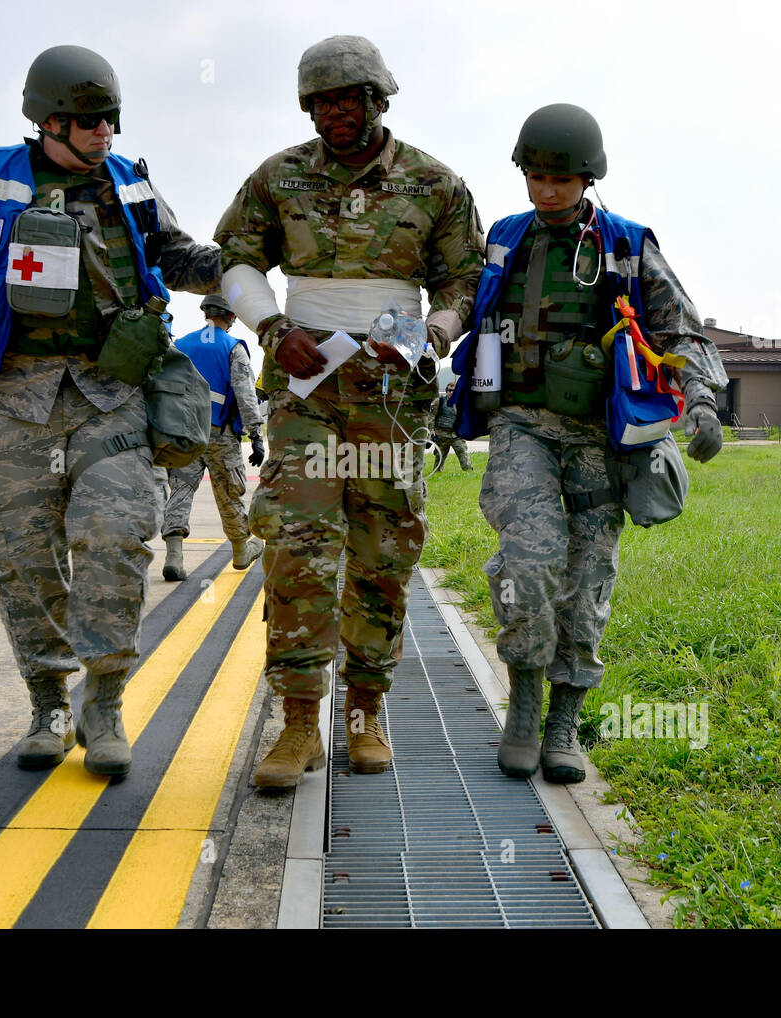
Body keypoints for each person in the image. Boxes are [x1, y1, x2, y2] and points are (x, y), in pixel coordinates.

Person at [0, 45, 220, 778]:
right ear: (48, 121)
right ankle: (47, 700)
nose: (105, 135)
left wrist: (240, 260)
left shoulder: (129, 185)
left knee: (117, 538)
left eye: (112, 121)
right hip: (16, 402)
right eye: (91, 122)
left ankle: (105, 699)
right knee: (20, 553)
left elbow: (181, 256)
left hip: (112, 395)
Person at [215, 35, 484, 788]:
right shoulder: (279, 177)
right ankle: (298, 722)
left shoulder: (435, 184)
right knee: (298, 544)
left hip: (393, 396)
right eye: (322, 101)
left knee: (382, 553)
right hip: (306, 392)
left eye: (350, 99)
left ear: (379, 99)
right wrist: (273, 328)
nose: (336, 113)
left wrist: (430, 333)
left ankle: (364, 713)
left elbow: (465, 282)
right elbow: (234, 259)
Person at [450, 104, 727, 783]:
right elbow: (467, 309)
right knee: (530, 559)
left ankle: (564, 721)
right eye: (536, 176)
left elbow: (678, 329)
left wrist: (701, 400)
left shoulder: (626, 245)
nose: (547, 191)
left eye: (562, 179)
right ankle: (523, 702)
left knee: (588, 577)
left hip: (602, 437)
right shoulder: (505, 240)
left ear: (588, 179)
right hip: (522, 426)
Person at [160, 293, 266, 580]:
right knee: (229, 492)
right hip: (220, 434)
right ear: (231, 317)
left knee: (180, 490)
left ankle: (174, 557)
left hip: (183, 432)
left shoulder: (181, 345)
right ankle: (241, 551)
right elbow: (245, 395)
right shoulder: (233, 347)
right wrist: (256, 434)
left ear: (205, 313)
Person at [430, 378, 472, 473]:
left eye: (454, 390)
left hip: (456, 435)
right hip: (442, 435)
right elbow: (432, 416)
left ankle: (468, 472)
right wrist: (431, 429)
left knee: (463, 455)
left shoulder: (461, 403)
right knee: (439, 458)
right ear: (446, 391)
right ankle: (437, 473)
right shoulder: (439, 402)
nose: (451, 392)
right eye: (449, 390)